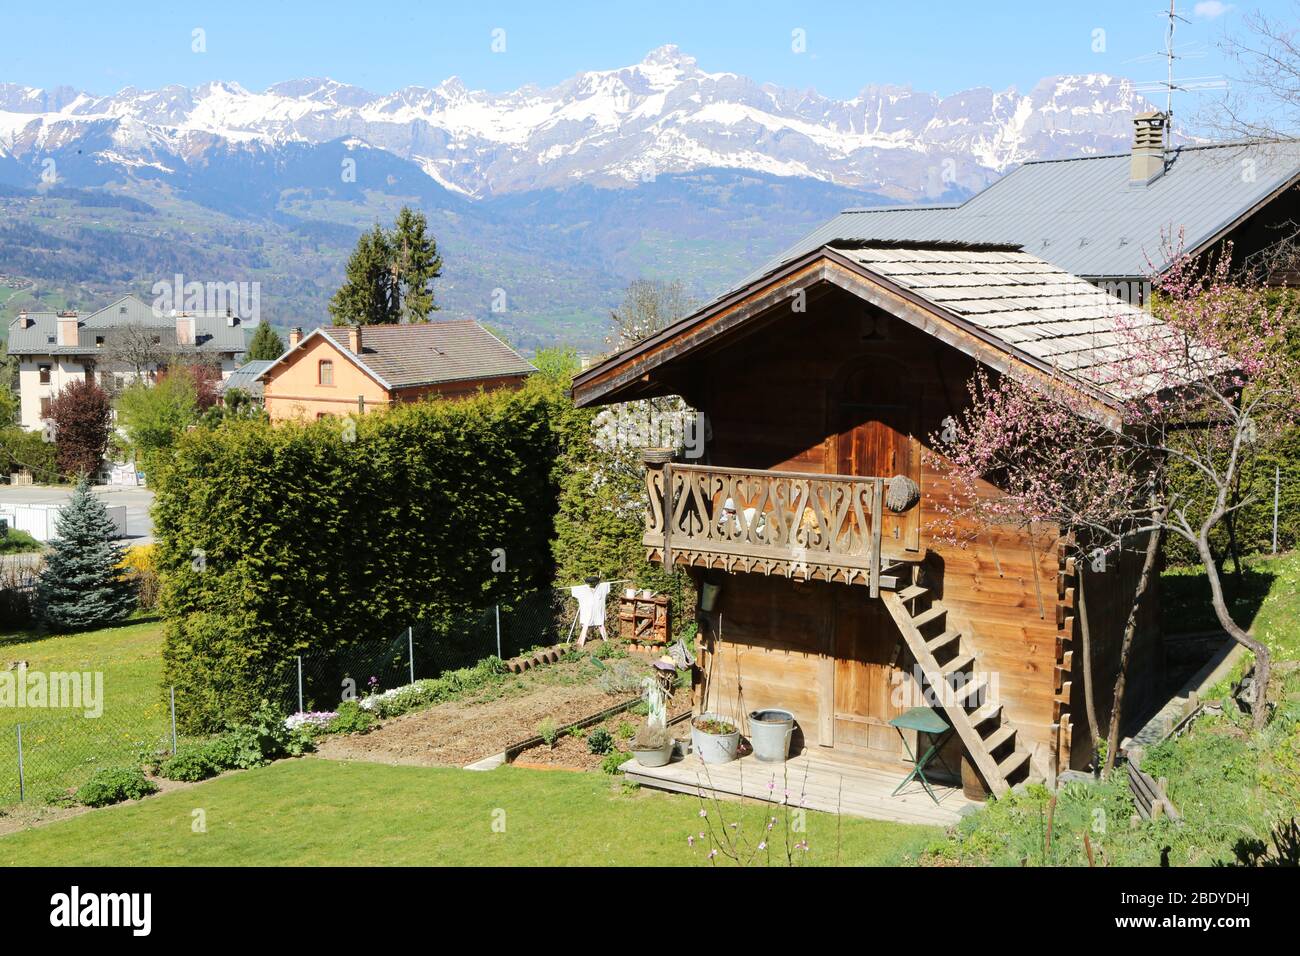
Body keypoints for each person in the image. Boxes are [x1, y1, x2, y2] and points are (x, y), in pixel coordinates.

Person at [570, 574, 611, 648]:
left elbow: (606, 587)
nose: (592, 584)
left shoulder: (601, 588)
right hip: (587, 612)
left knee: (600, 623)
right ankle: (581, 642)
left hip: (598, 611)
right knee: (586, 624)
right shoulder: (582, 589)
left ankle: (606, 639)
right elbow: (574, 591)